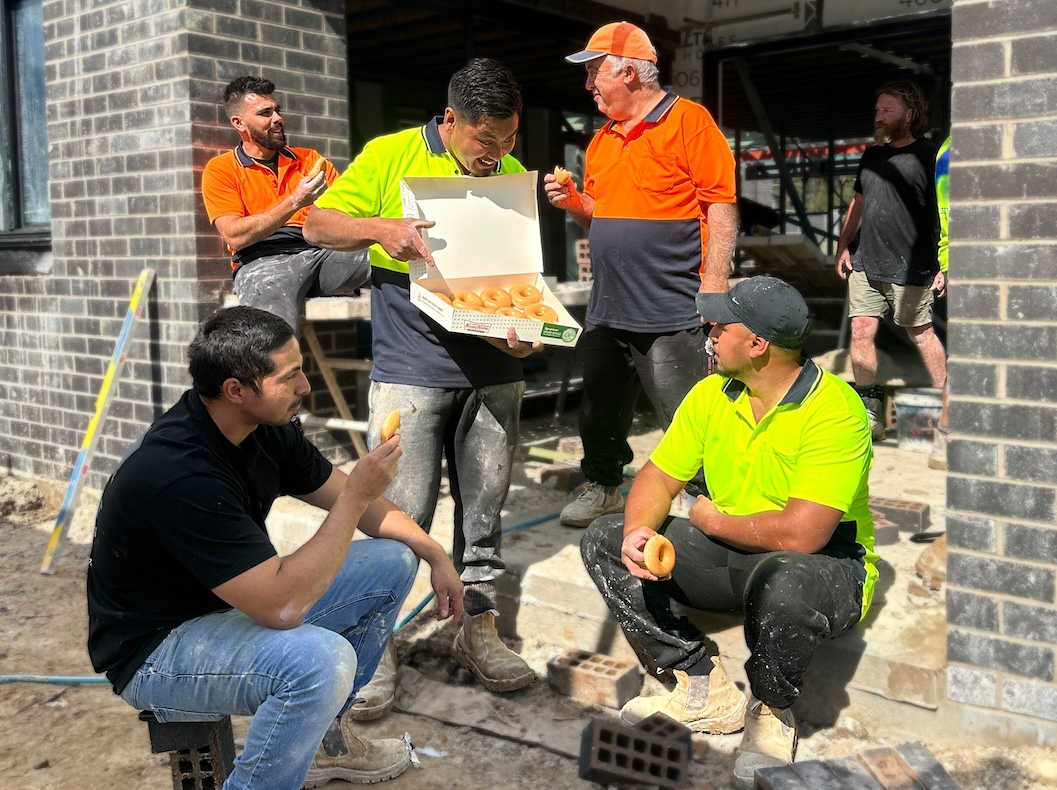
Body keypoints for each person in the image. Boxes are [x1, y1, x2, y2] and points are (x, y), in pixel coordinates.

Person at [86, 306, 464, 789]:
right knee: (321, 663)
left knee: (393, 557)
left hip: (224, 608)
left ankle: (325, 744)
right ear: (236, 390)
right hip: (157, 651)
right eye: (289, 377)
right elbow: (282, 607)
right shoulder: (179, 473)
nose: (306, 386)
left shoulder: (263, 428)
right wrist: (354, 497)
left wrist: (436, 553)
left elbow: (361, 505)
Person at [302, 58, 540, 707]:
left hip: (494, 375)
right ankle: (371, 649)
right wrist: (384, 230)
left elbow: (521, 279)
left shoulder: (512, 176)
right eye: (486, 140)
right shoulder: (392, 156)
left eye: (510, 140)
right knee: (397, 520)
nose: (499, 154)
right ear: (451, 120)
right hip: (411, 374)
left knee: (484, 520)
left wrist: (526, 331)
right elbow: (317, 224)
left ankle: (477, 629)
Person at [580, 276, 877, 784]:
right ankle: (701, 684)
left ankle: (770, 711)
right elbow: (656, 476)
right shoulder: (712, 393)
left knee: (786, 578)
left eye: (721, 325)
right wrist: (638, 532)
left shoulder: (835, 411)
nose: (709, 333)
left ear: (758, 344)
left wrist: (708, 518)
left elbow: (803, 535)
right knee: (605, 538)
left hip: (822, 564)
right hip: (732, 552)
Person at [545, 21, 738, 528]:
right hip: (610, 304)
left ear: (628, 71)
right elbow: (601, 215)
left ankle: (708, 502)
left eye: (595, 74)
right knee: (600, 410)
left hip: (671, 304)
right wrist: (574, 204)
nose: (590, 86)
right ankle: (604, 485)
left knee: (687, 412)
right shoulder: (603, 140)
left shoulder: (689, 122)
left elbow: (720, 204)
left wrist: (715, 283)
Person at [201, 75, 371, 330]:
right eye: (265, 113)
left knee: (389, 257)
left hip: (321, 255)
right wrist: (295, 201)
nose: (277, 118)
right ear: (239, 123)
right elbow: (234, 235)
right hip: (263, 263)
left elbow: (348, 215)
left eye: (277, 110)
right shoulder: (221, 169)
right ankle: (281, 371)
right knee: (274, 336)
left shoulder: (310, 160)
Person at [834, 80, 946, 441]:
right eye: (877, 109)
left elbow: (946, 210)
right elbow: (859, 204)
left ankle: (951, 405)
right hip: (867, 262)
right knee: (861, 330)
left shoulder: (931, 157)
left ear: (909, 113)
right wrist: (843, 245)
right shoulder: (872, 156)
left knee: (920, 333)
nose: (878, 115)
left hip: (912, 266)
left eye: (887, 110)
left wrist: (945, 263)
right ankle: (869, 412)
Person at [929, 134, 951, 469]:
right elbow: (946, 215)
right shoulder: (948, 152)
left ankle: (945, 442)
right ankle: (946, 438)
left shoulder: (947, 149)